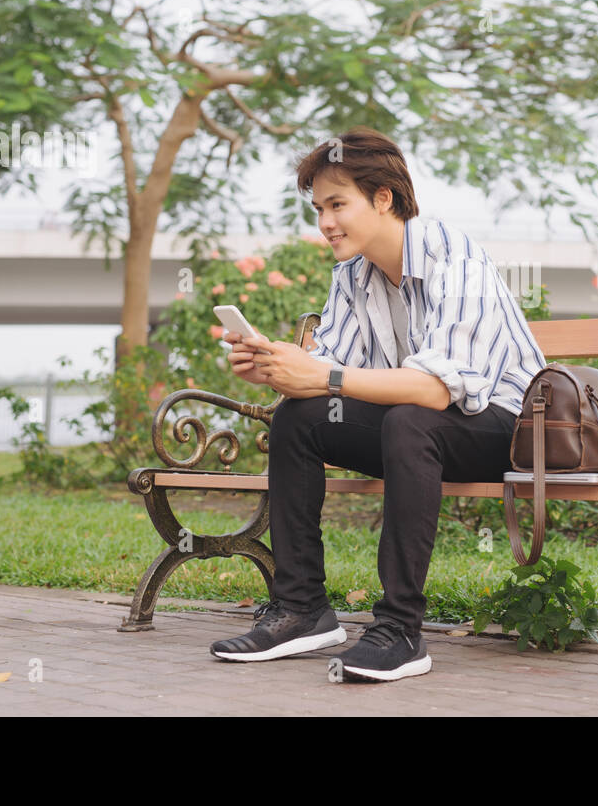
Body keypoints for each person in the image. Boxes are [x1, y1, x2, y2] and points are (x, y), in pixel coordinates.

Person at [209, 126, 548, 682]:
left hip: (509, 430)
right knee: (301, 418)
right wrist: (271, 368)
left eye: (337, 204)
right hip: (422, 429)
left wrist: (324, 373)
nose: (325, 223)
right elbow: (327, 379)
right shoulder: (353, 273)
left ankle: (399, 630)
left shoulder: (453, 255)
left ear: (383, 198)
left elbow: (437, 391)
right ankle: (302, 609)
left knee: (412, 420)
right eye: (319, 208)